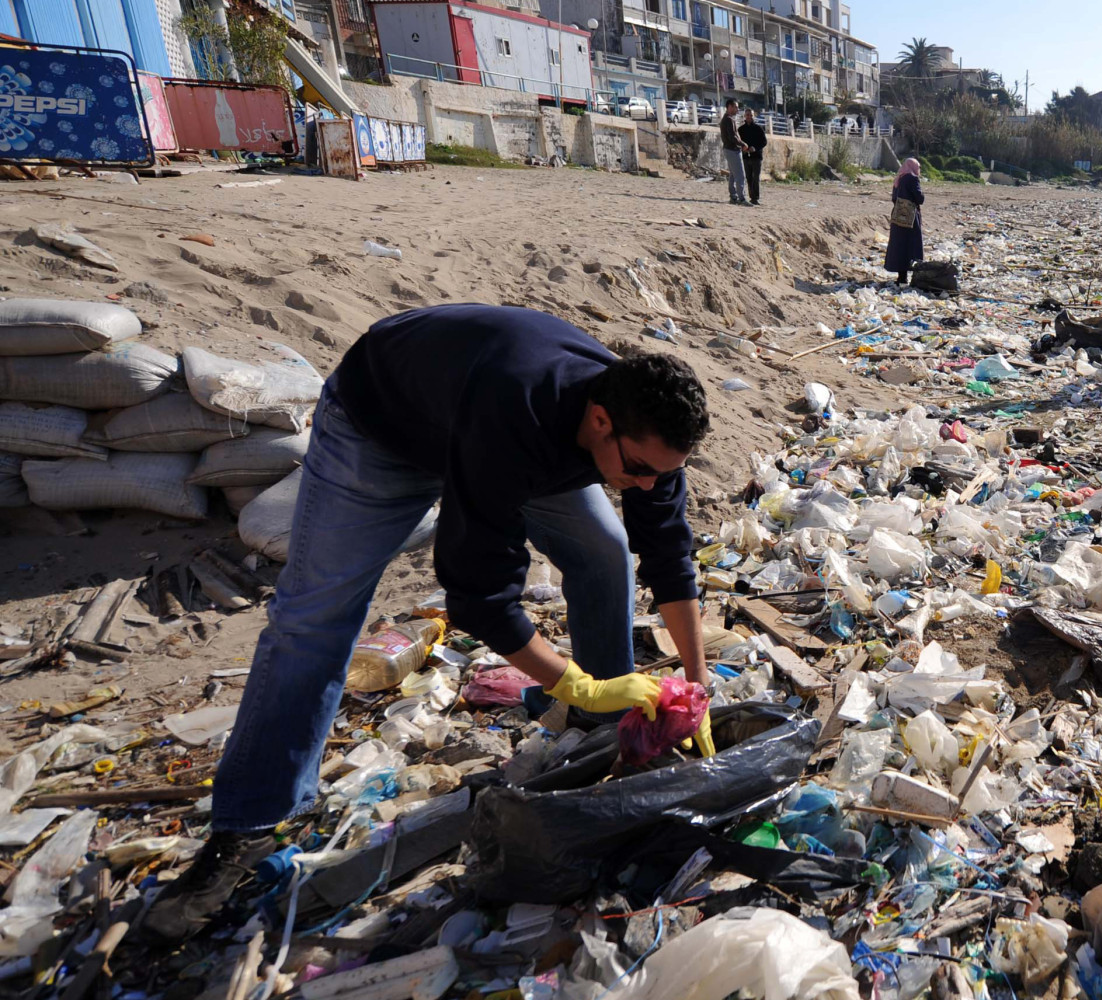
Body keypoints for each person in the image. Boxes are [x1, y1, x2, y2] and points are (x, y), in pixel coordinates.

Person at [141, 305, 714, 939]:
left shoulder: (646, 436)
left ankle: (607, 734)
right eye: (639, 471)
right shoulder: (516, 415)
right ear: (601, 420)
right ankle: (247, 823)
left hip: (509, 427)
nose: (647, 484)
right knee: (314, 618)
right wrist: (574, 681)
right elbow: (479, 595)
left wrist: (696, 680)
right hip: (383, 428)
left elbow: (666, 550)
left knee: (605, 553)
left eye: (663, 473)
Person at [886, 157, 925, 285]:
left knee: (900, 246)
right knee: (912, 246)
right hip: (910, 219)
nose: (919, 170)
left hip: (898, 217)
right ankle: (913, 276)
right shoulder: (912, 179)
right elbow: (919, 199)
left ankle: (901, 278)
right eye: (918, 167)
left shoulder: (899, 178)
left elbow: (894, 198)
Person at [720, 99, 748, 205]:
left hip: (729, 149)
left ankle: (733, 196)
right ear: (730, 107)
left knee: (732, 174)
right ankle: (742, 198)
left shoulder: (728, 119)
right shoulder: (728, 120)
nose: (737, 109)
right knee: (740, 175)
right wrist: (743, 144)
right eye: (736, 107)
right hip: (732, 149)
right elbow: (733, 137)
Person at [739, 109, 768, 207]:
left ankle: (755, 198)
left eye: (750, 115)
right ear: (744, 116)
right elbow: (738, 142)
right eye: (747, 115)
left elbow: (764, 142)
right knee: (748, 177)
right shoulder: (741, 129)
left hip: (757, 157)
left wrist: (755, 148)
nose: (749, 117)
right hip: (746, 157)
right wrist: (743, 148)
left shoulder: (758, 128)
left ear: (753, 116)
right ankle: (751, 197)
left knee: (756, 178)